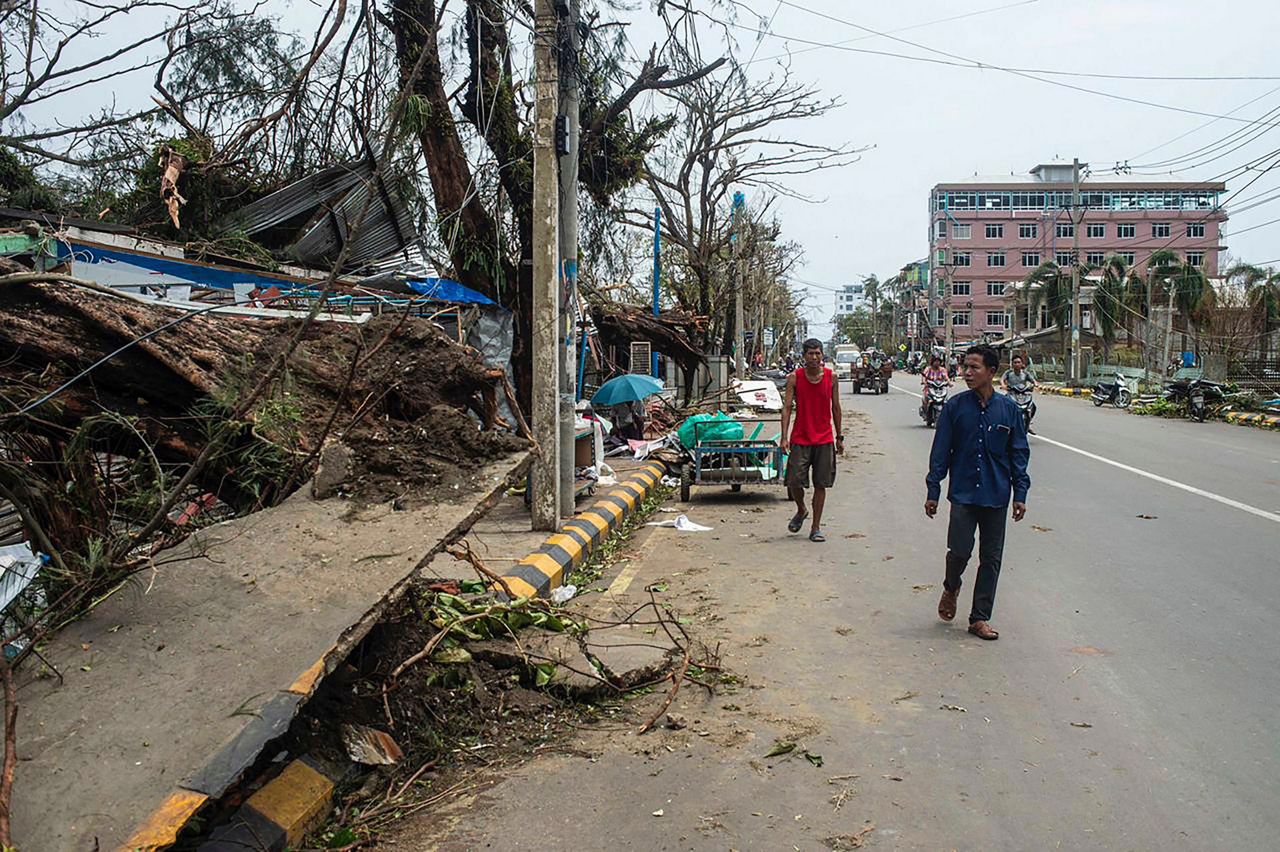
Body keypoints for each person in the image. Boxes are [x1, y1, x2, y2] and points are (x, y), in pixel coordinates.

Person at [924, 344, 1030, 641]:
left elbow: (1019, 454)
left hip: (996, 495)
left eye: (974, 368)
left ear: (991, 372)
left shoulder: (1009, 410)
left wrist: (1020, 493)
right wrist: (934, 488)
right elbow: (940, 452)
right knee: (959, 550)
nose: (967, 373)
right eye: (965, 367)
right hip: (963, 494)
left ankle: (980, 617)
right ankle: (951, 585)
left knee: (991, 558)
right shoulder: (955, 408)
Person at [781, 338, 843, 543]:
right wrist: (784, 436)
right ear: (804, 356)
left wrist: (839, 436)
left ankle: (816, 527)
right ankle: (801, 509)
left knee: (820, 483)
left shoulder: (831, 377)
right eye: (810, 353)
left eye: (818, 353)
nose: (814, 357)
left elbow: (836, 407)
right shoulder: (794, 378)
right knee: (794, 480)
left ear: (822, 355)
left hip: (824, 438)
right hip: (800, 437)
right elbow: (787, 408)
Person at [1002, 354, 1037, 434]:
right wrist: (1003, 385)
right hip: (1012, 394)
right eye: (1015, 362)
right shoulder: (1008, 373)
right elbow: (1002, 379)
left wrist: (1035, 384)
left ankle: (1029, 423)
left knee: (1033, 406)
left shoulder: (1025, 373)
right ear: (1012, 364)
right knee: (1003, 405)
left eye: (1018, 362)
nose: (1017, 364)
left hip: (1023, 394)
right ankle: (1005, 423)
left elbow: (1033, 380)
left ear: (1022, 363)